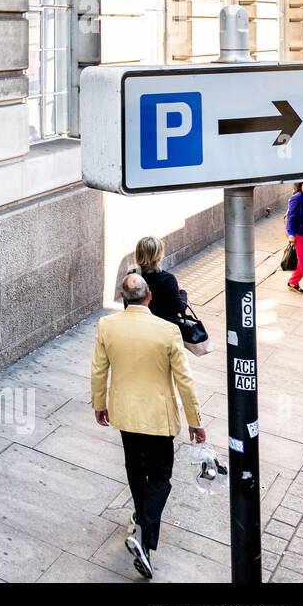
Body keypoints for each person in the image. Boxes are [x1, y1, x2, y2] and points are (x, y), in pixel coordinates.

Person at [92, 273, 206, 580]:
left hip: (125, 414)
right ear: (149, 297)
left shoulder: (107, 326)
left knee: (135, 470)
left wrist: (99, 404)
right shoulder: (167, 331)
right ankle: (143, 528)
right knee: (160, 478)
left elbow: (99, 370)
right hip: (157, 417)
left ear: (121, 296)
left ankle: (142, 533)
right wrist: (196, 421)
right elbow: (184, 380)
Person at [132, 235, 185, 327]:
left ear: (138, 254)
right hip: (164, 328)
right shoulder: (168, 279)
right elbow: (180, 308)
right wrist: (182, 292)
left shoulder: (131, 276)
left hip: (139, 326)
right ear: (159, 255)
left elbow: (128, 306)